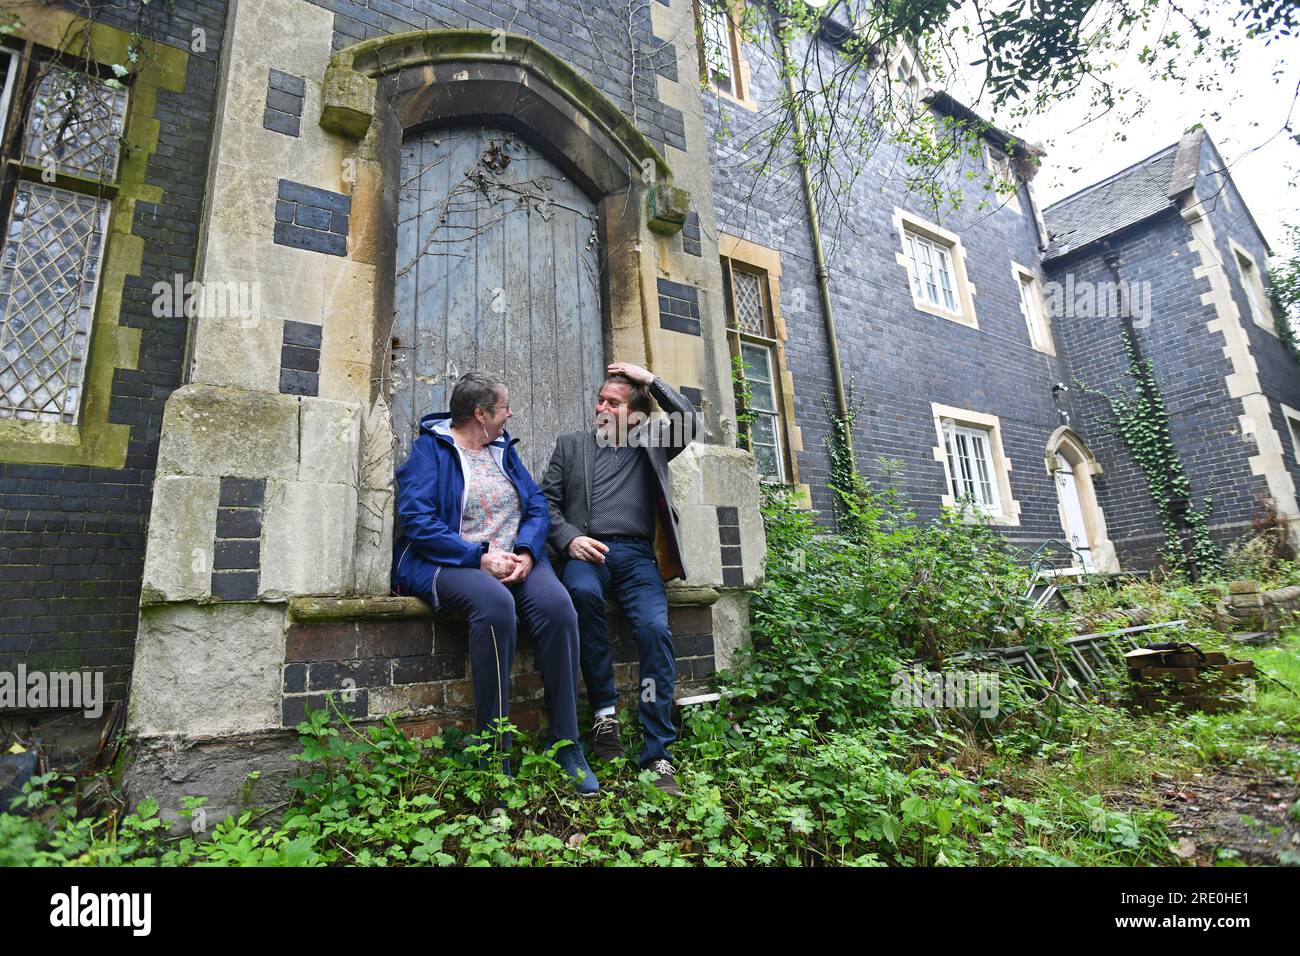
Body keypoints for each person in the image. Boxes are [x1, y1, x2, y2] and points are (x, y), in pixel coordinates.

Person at [391, 371, 598, 795]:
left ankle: (566, 742)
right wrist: (478, 558)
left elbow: (537, 505)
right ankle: (494, 751)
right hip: (456, 561)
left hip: (514, 556)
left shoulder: (503, 449)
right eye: (504, 407)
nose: (510, 413)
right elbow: (417, 521)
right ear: (481, 414)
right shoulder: (430, 451)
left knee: (559, 608)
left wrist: (526, 551)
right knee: (496, 608)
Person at [541, 361, 701, 795]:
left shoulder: (652, 441)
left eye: (613, 402)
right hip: (586, 551)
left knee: (653, 630)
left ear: (634, 413)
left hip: (635, 555)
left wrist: (649, 379)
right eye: (600, 399)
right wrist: (570, 540)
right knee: (581, 596)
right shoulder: (571, 446)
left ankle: (658, 753)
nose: (602, 407)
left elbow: (691, 420)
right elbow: (546, 504)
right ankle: (604, 715)